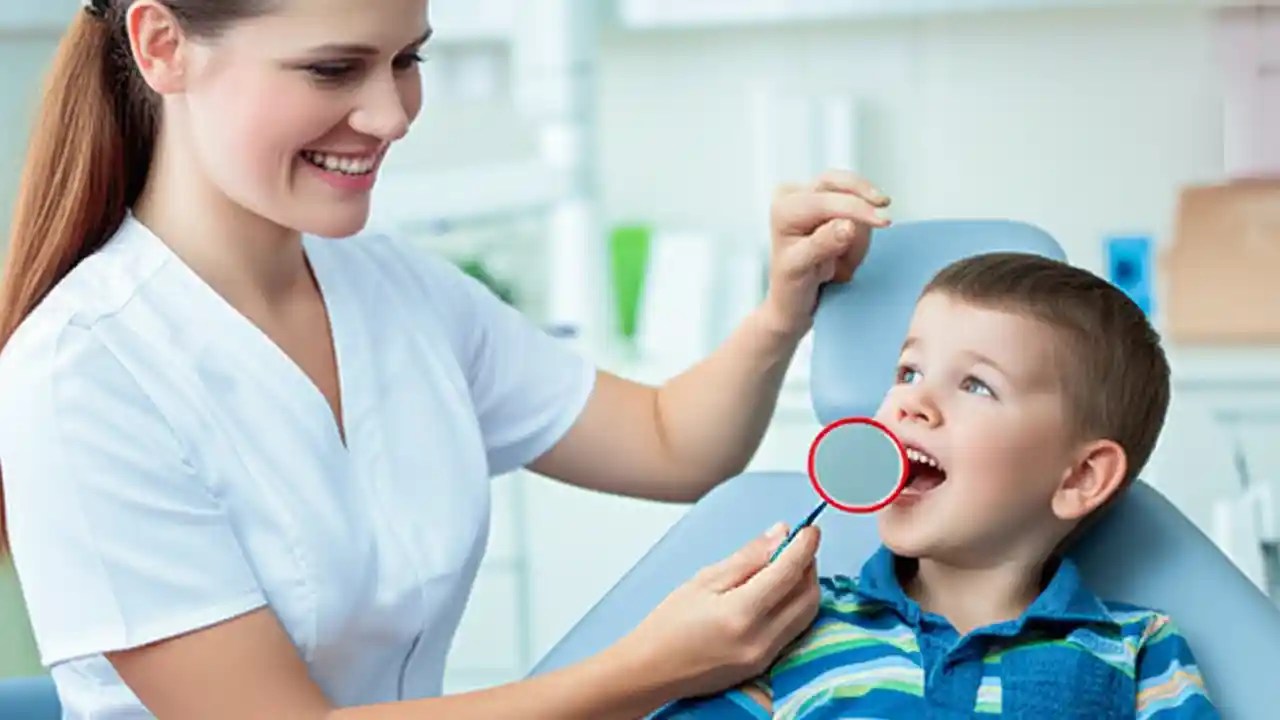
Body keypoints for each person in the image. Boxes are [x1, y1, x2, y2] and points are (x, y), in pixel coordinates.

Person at [0, 1, 895, 718]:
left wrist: (784, 307)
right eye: (333, 67)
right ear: (163, 47)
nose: (391, 114)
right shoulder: (82, 375)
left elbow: (671, 443)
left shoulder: (397, 290)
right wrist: (652, 669)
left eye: (407, 60)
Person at [652, 252, 1219, 718]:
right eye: (908, 373)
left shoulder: (1137, 648)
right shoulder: (791, 632)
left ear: (1079, 477)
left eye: (976, 385)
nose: (910, 402)